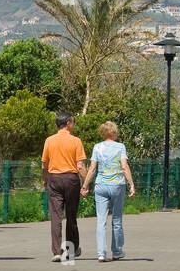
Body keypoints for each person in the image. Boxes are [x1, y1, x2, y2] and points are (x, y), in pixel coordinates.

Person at [82, 121, 134, 262]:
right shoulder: (120, 147)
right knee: (116, 219)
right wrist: (131, 184)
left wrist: (85, 185)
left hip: (101, 185)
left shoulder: (97, 147)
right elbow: (124, 166)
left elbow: (92, 169)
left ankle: (101, 253)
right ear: (114, 133)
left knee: (101, 220)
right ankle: (116, 251)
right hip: (117, 185)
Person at [42, 112, 86, 262]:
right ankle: (71, 250)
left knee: (56, 216)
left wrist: (45, 179)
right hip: (71, 179)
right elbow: (80, 166)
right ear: (68, 123)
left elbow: (44, 164)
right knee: (71, 216)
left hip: (54, 178)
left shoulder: (49, 141)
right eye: (72, 122)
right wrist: (85, 184)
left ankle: (57, 251)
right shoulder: (76, 141)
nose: (73, 125)